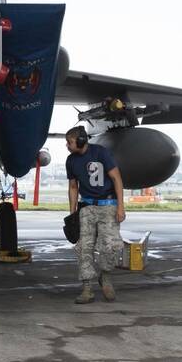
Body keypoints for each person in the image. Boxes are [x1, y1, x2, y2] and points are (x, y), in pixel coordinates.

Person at [65, 125, 125, 305]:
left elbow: (116, 178)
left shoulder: (101, 153)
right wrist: (72, 213)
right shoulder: (71, 161)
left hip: (108, 206)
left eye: (70, 142)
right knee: (84, 248)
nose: (67, 145)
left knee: (111, 245)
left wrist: (121, 207)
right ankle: (87, 288)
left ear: (81, 141)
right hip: (87, 208)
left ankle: (105, 277)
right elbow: (73, 187)